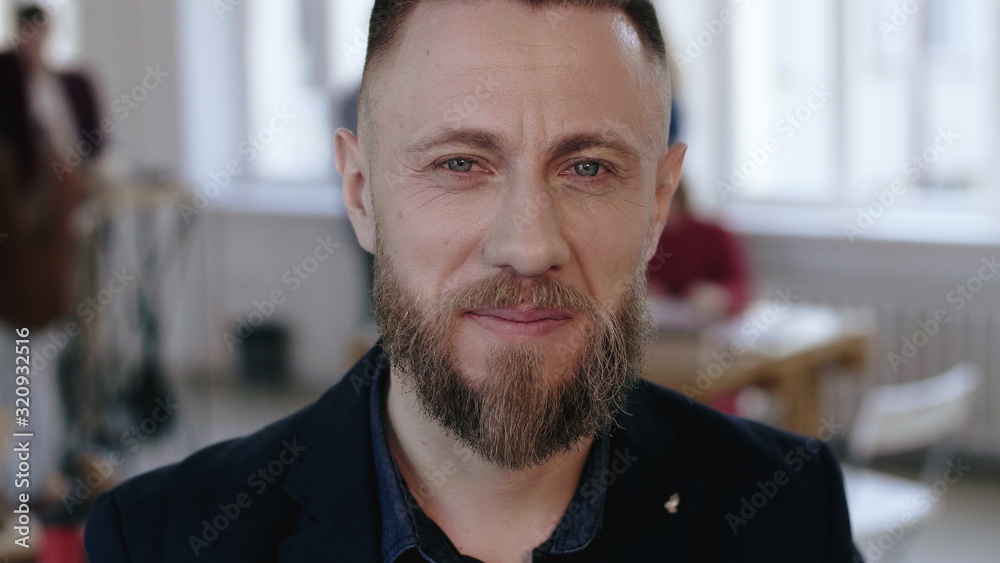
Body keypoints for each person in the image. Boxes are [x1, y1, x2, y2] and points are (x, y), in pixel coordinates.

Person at [85, 1, 860, 561]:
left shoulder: (787, 509)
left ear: (657, 204)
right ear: (360, 194)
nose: (528, 246)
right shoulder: (161, 539)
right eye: (460, 164)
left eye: (588, 168)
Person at [0, 4, 103, 327]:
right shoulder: (9, 78)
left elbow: (93, 141)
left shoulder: (72, 82)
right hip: (29, 197)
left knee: (76, 282)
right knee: (28, 281)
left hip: (72, 191)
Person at [646, 179, 752, 328]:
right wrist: (639, 293)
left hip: (709, 330)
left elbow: (741, 286)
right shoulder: (637, 238)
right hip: (657, 332)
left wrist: (720, 295)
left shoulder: (714, 234)